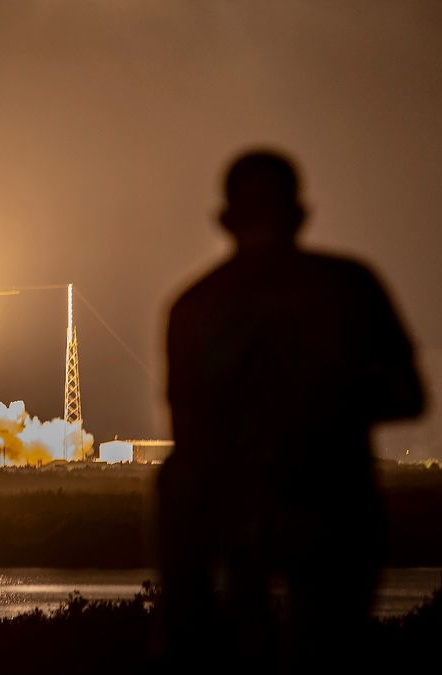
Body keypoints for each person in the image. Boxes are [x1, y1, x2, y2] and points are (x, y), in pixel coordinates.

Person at [158, 149, 424, 671]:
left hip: (242, 518)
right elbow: (409, 395)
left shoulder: (194, 306)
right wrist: (331, 403)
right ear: (302, 214)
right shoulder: (351, 285)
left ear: (224, 220)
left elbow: (188, 436)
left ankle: (178, 642)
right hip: (338, 509)